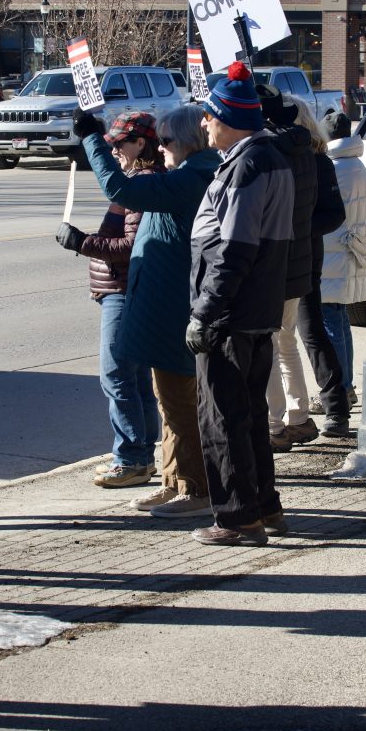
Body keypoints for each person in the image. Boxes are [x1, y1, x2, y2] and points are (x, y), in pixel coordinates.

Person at [72, 104, 219, 518]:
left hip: (175, 310)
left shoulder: (194, 177)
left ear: (188, 142)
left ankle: (196, 487)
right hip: (164, 309)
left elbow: (121, 190)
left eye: (167, 140)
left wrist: (91, 140)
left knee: (180, 403)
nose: (161, 147)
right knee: (168, 400)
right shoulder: (185, 175)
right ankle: (174, 481)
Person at [186, 62, 293, 547]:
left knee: (223, 416)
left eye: (209, 116)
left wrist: (207, 309)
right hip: (255, 307)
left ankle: (236, 517)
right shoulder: (268, 157)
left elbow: (235, 246)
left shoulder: (249, 163)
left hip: (232, 311)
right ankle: (263, 505)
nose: (204, 124)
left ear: (226, 117)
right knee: (246, 414)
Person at [57, 111, 163, 488]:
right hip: (122, 289)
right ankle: (141, 455)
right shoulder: (139, 180)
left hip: (122, 289)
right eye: (111, 143)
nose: (114, 150)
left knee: (117, 374)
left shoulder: (144, 183)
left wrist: (81, 242)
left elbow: (131, 246)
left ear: (140, 144)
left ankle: (133, 457)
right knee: (134, 376)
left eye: (120, 143)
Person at [259, 89, 345, 451]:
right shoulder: (297, 156)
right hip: (296, 260)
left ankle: (285, 421)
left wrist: (297, 228)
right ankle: (297, 417)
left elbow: (333, 213)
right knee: (287, 340)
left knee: (287, 340)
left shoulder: (308, 160)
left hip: (296, 261)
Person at [318, 113, 366, 437]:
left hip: (332, 252)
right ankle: (347, 384)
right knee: (340, 320)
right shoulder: (357, 164)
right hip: (348, 250)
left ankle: (341, 386)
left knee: (330, 321)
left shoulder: (335, 166)